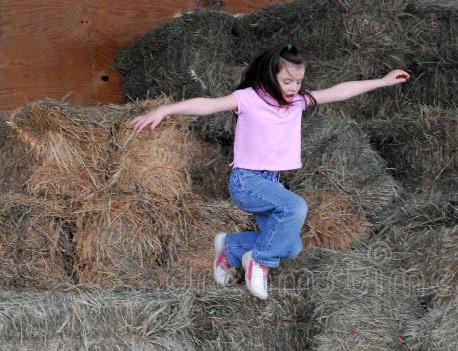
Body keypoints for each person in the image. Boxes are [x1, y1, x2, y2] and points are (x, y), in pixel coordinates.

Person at [131, 44, 409, 299]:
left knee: (290, 247)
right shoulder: (250, 98)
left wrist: (383, 81)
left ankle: (231, 247)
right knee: (295, 207)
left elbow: (339, 91)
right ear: (268, 76)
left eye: (298, 81)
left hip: (271, 184)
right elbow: (208, 104)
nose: (294, 87)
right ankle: (258, 261)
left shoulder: (297, 102)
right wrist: (165, 110)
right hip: (247, 181)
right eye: (287, 80)